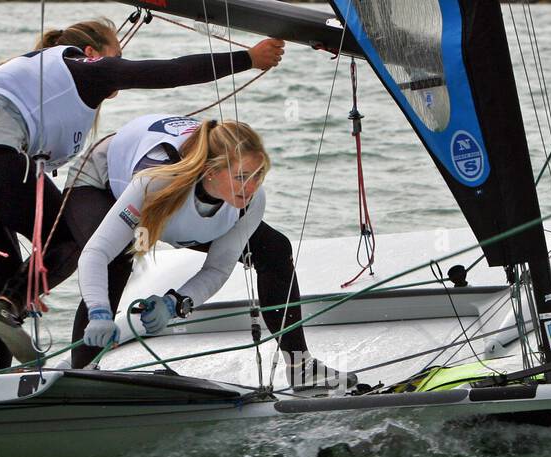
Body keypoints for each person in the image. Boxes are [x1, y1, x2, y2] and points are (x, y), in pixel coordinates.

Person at [0, 19, 285, 371]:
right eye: (117, 55)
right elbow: (167, 71)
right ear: (93, 54)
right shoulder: (86, 69)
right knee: (69, 239)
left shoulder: (30, 71)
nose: (120, 65)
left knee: (4, 285)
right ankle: (52, 347)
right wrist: (248, 58)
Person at [34, 113, 356, 391]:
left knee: (274, 249)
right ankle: (83, 372)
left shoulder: (250, 201)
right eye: (243, 177)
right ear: (211, 171)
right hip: (99, 180)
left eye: (259, 175)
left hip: (176, 212)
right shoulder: (155, 183)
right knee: (119, 258)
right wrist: (100, 313)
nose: (253, 186)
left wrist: (175, 304)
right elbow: (95, 254)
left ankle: (301, 367)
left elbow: (218, 269)